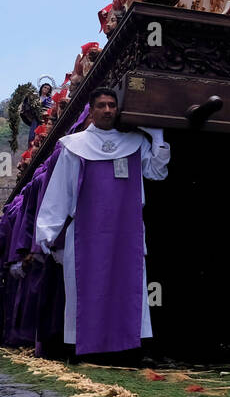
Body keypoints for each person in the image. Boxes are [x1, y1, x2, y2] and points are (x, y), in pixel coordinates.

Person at [35, 87, 170, 357]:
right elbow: (60, 191)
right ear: (92, 110)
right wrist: (47, 234)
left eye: (111, 105)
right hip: (86, 232)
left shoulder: (134, 142)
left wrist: (158, 137)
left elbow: (157, 171)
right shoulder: (74, 146)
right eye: (101, 105)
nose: (108, 110)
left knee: (127, 287)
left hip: (126, 230)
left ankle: (126, 349)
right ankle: (87, 350)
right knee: (86, 290)